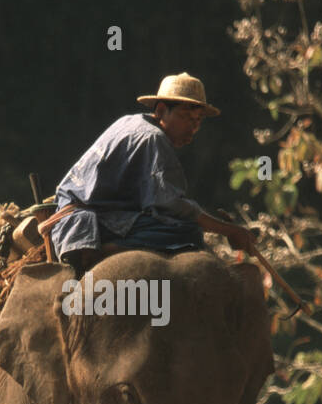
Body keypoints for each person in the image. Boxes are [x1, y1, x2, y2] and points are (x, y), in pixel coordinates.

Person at [45, 73, 259, 271]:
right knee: (187, 232)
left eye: (198, 120)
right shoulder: (153, 138)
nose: (192, 128)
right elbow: (171, 205)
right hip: (89, 219)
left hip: (89, 212)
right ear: (160, 110)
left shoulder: (130, 121)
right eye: (185, 117)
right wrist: (230, 230)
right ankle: (101, 253)